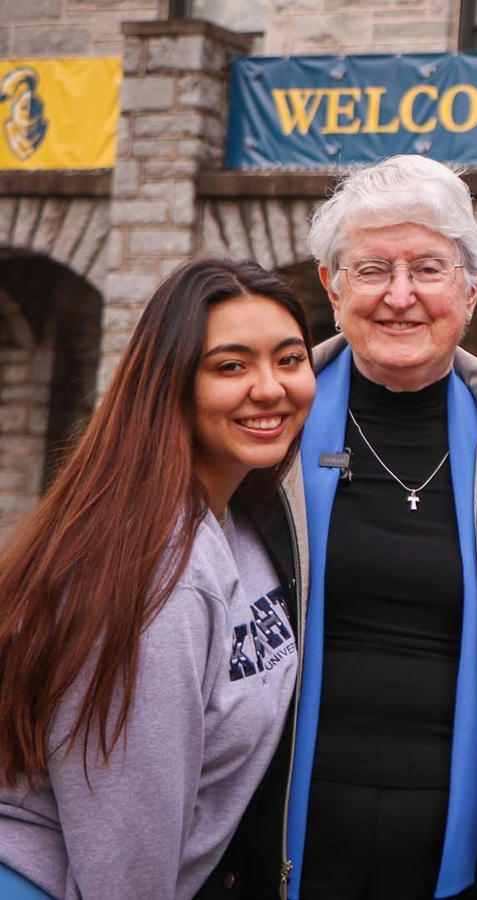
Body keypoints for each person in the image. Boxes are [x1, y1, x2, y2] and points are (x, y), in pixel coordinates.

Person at [210, 155, 477, 899]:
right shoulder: (262, 435)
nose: (401, 296)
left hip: (459, 847)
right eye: (371, 270)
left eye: (428, 267)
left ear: (472, 285)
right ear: (332, 287)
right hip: (268, 829)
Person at [0, 258, 311, 899]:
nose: (270, 388)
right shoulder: (156, 574)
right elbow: (123, 850)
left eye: (289, 359)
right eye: (231, 366)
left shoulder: (238, 526)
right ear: (171, 385)